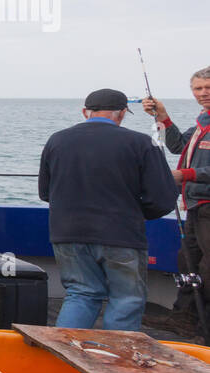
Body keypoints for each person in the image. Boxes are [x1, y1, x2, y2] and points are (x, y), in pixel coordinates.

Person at [38, 89, 179, 331]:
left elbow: (45, 193)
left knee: (81, 294)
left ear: (85, 112)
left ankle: (61, 356)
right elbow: (163, 198)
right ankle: (116, 362)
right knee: (126, 299)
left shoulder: (57, 140)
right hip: (121, 234)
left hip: (68, 233)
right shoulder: (141, 142)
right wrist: (136, 212)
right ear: (123, 113)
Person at [143, 66, 210, 331]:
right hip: (196, 205)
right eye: (198, 88)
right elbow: (178, 147)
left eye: (208, 87)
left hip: (207, 205)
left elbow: (189, 166)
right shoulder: (203, 121)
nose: (203, 93)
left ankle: (203, 328)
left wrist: (186, 174)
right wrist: (162, 117)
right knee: (188, 261)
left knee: (207, 268)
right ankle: (184, 317)